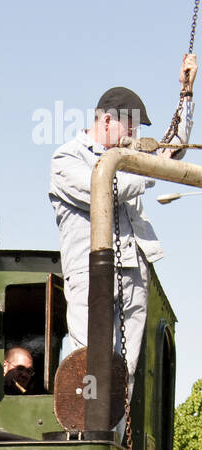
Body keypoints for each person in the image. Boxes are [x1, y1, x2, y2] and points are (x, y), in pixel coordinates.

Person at [49, 56, 197, 390]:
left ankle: (115, 439)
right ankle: (90, 435)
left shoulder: (127, 156)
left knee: (124, 372)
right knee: (93, 361)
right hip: (91, 272)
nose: (133, 136)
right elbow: (101, 188)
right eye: (128, 127)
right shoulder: (66, 158)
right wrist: (148, 170)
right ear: (103, 120)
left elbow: (172, 150)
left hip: (133, 270)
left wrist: (186, 93)